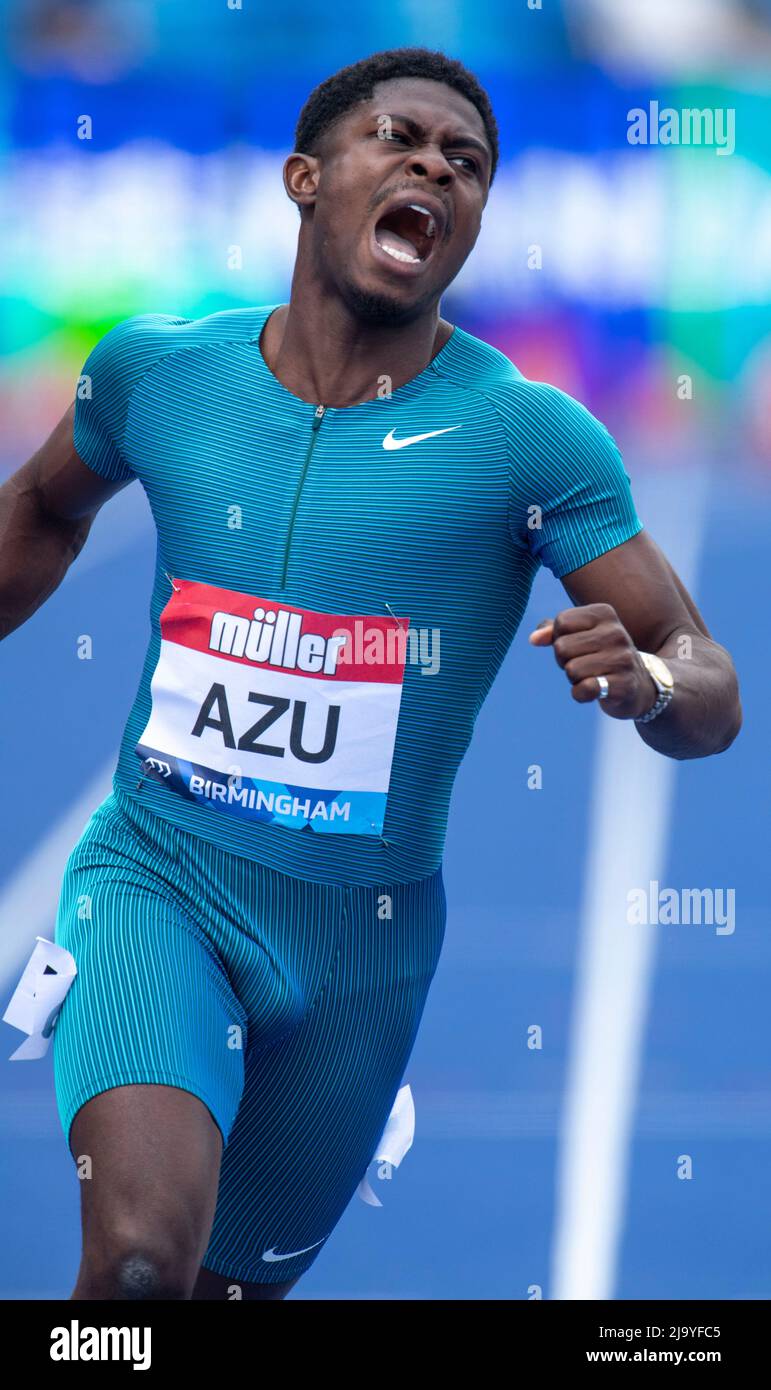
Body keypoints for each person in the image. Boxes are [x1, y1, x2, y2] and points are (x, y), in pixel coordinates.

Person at [0, 47, 741, 1301]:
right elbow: (42, 506)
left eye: (467, 164)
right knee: (132, 1270)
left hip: (360, 954)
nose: (434, 169)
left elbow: (707, 682)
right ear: (304, 178)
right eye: (400, 139)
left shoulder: (528, 436)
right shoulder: (157, 373)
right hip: (157, 882)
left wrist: (652, 686)